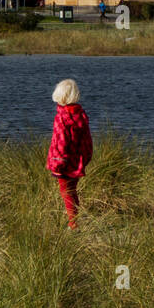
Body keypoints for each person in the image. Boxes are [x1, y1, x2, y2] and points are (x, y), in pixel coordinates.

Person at [46, 78, 93, 228]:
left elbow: (61, 142)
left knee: (66, 192)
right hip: (77, 162)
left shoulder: (62, 117)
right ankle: (76, 220)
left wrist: (57, 162)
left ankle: (73, 224)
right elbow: (87, 141)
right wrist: (85, 159)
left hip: (63, 163)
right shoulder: (81, 115)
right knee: (72, 191)